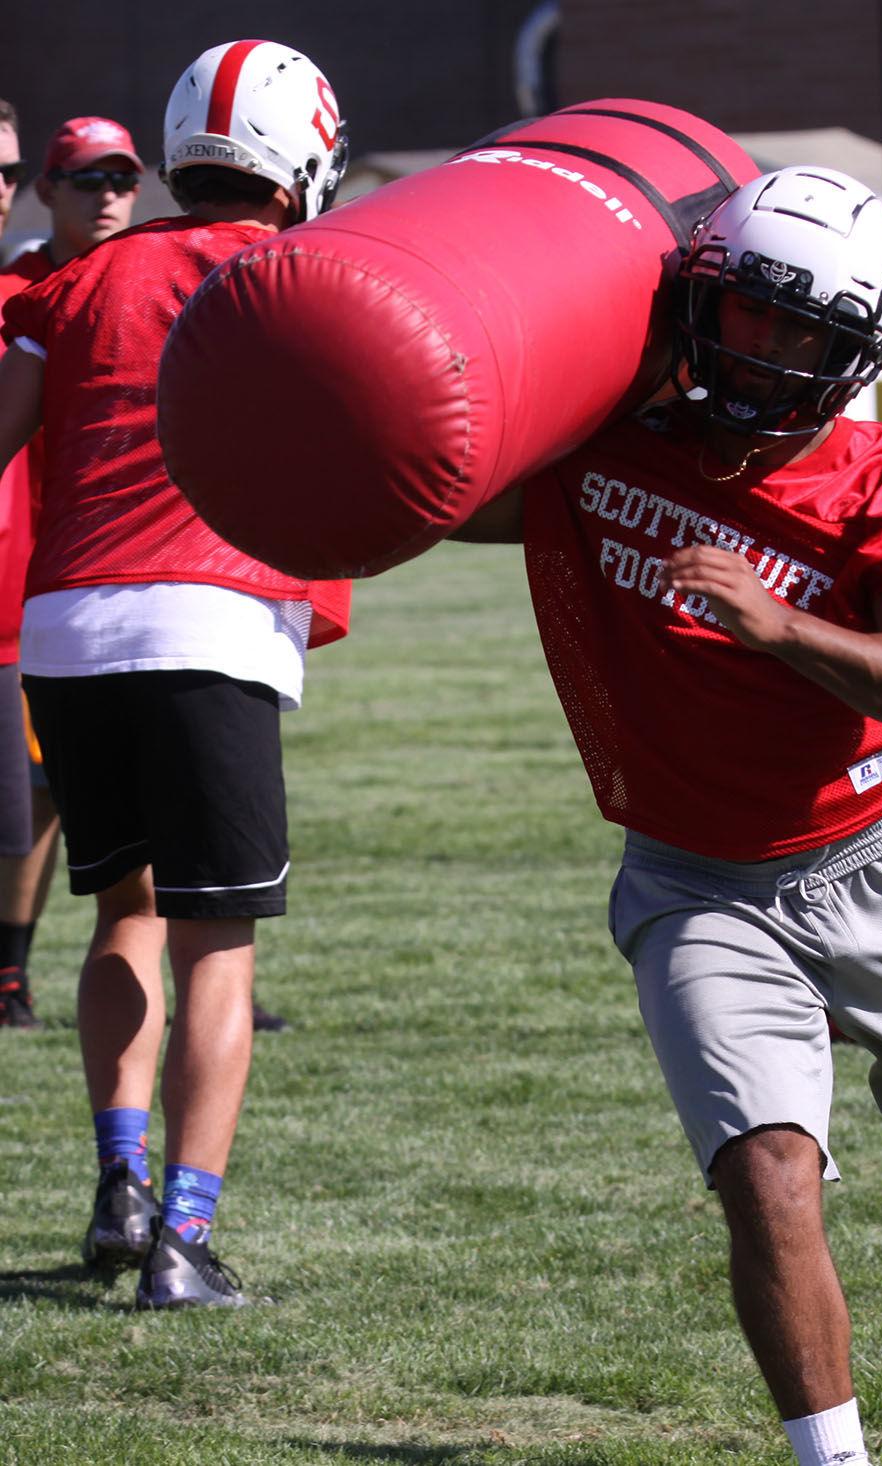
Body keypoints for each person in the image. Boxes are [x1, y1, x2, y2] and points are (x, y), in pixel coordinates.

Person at [457, 168, 882, 1465]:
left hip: (881, 856)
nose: (765, 351)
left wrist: (782, 622)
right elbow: (431, 484)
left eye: (801, 333)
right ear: (698, 307)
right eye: (745, 316)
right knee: (766, 1171)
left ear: (850, 354)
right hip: (697, 882)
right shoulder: (608, 440)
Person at [0, 39, 350, 1309]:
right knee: (218, 942)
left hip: (69, 629)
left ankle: (119, 1182)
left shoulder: (81, 276)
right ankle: (185, 1244)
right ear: (298, 152)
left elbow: (2, 430)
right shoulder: (303, 273)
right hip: (210, 617)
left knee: (123, 908)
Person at [0, 114, 143, 1029]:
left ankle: (193, 973)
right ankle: (11, 972)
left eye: (120, 179)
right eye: (84, 179)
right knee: (32, 796)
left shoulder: (141, 280)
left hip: (117, 576)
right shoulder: (19, 292)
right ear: (50, 189)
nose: (105, 196)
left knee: (89, 789)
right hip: (33, 578)